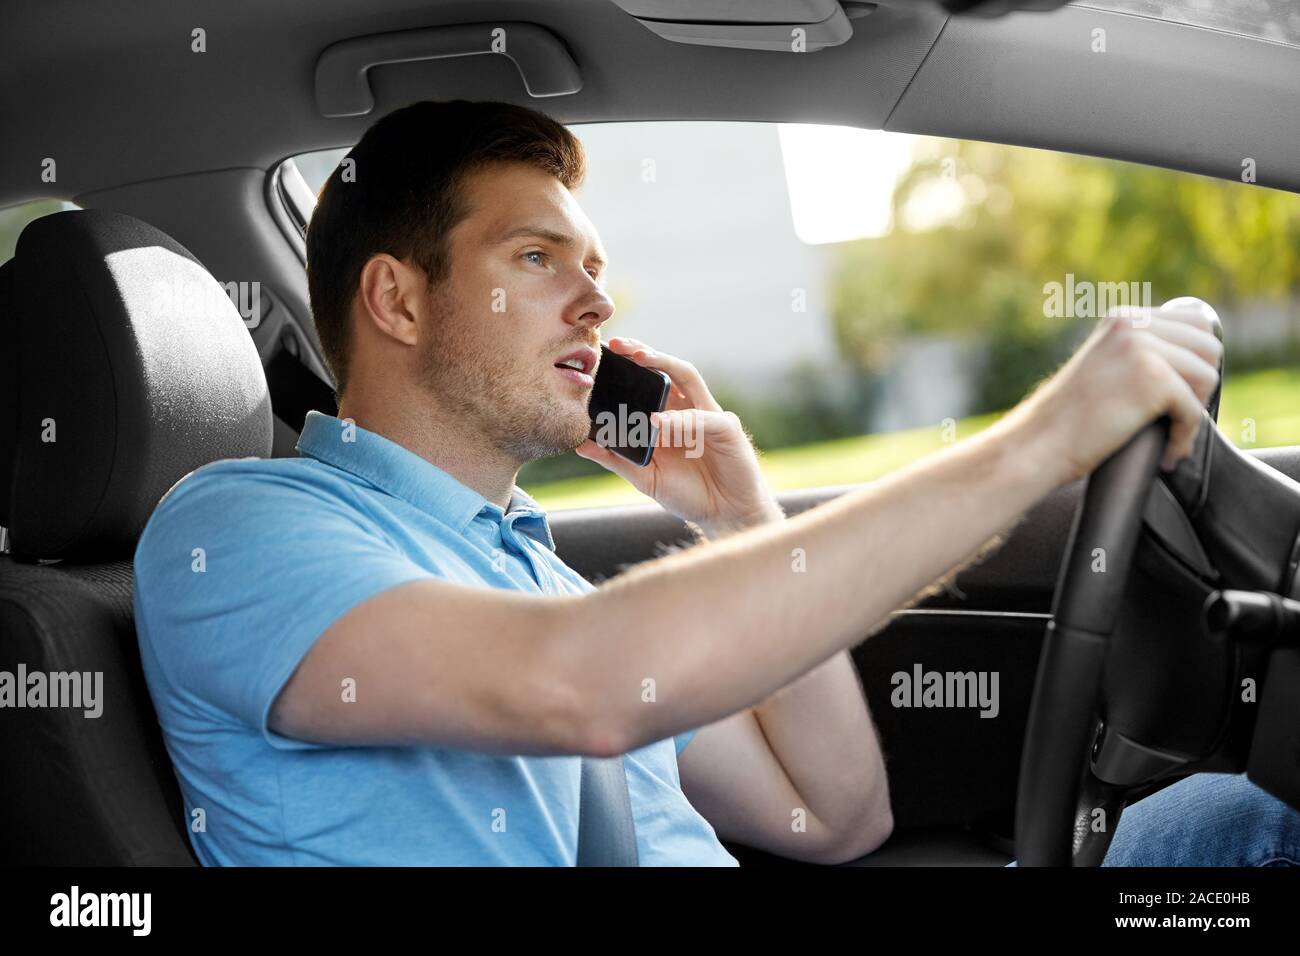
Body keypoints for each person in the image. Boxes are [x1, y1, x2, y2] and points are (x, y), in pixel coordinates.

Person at [133, 99, 1297, 866]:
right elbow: (574, 685)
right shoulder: (236, 529)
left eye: (595, 268)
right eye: (537, 259)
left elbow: (838, 815)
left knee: (1219, 827)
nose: (596, 303)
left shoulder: (526, 568)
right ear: (397, 298)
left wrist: (739, 513)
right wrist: (1044, 438)